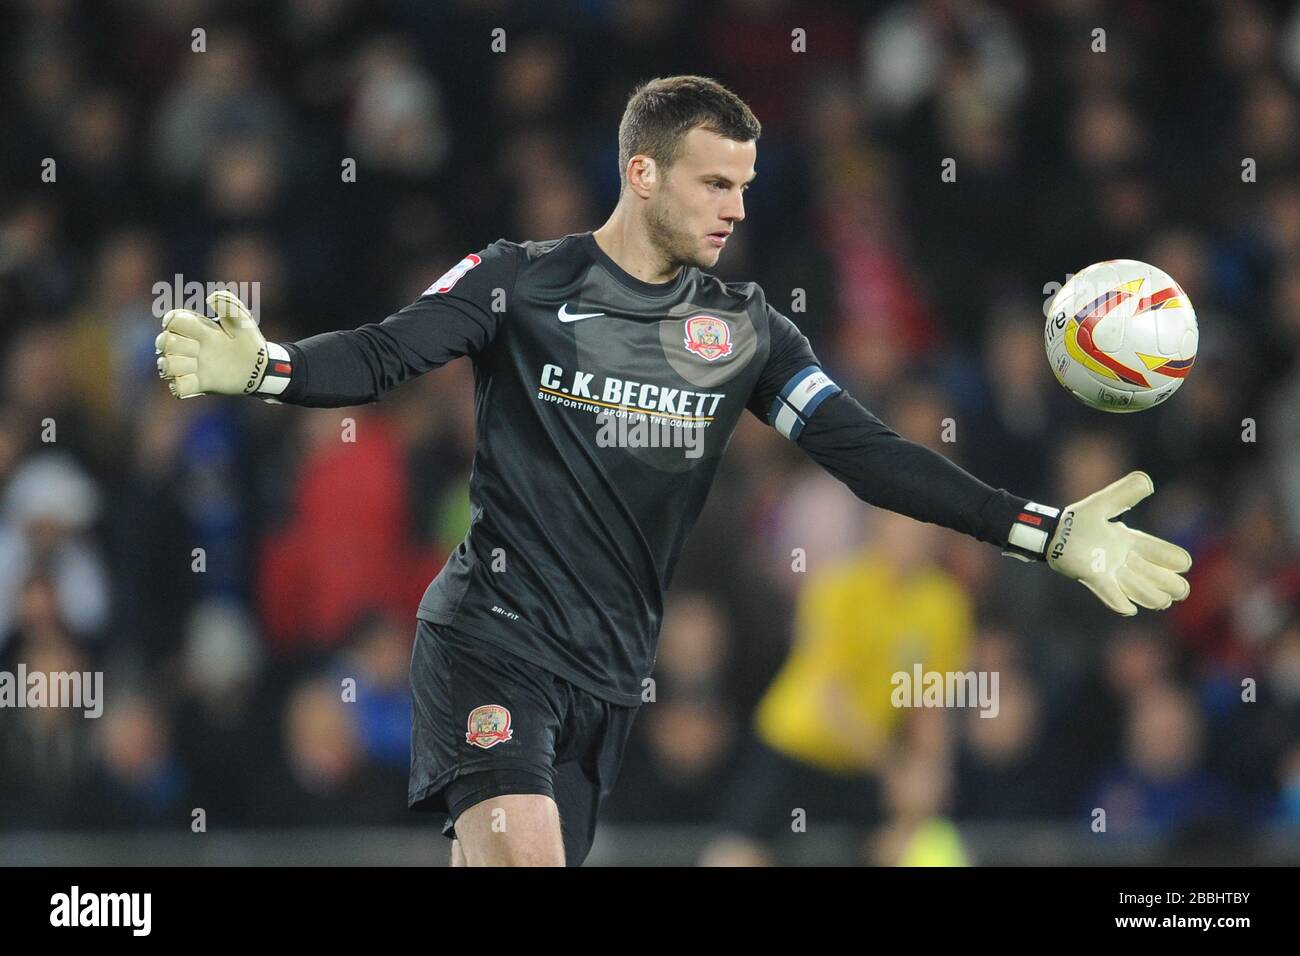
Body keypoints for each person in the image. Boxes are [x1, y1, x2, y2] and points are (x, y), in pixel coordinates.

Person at [154, 75, 1193, 866]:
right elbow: (387, 350)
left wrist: (1043, 528)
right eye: (713, 182)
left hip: (607, 677)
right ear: (641, 172)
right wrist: (267, 366)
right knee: (524, 844)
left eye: (744, 185)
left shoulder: (748, 333)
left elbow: (866, 455)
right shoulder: (520, 278)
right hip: (490, 638)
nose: (736, 207)